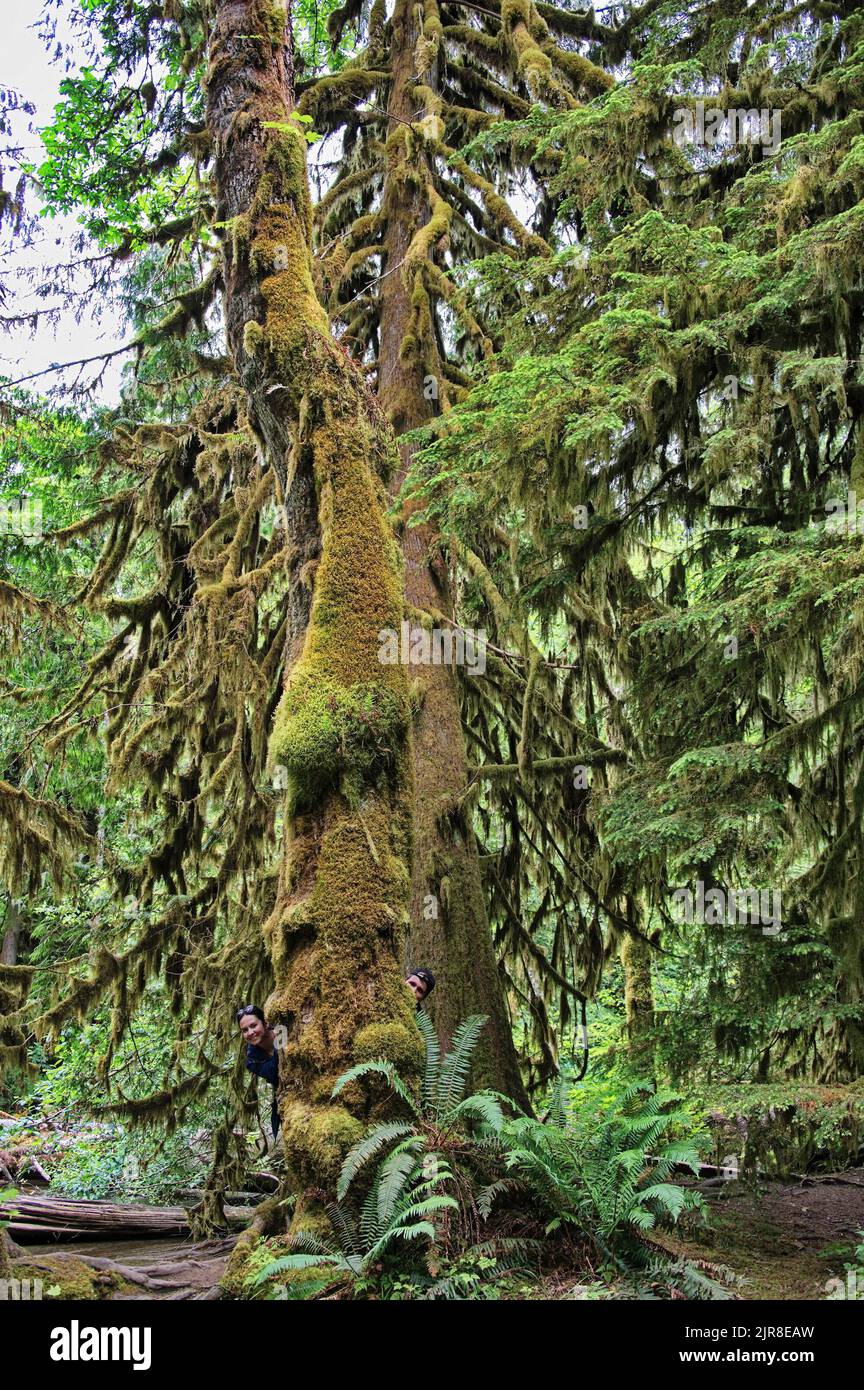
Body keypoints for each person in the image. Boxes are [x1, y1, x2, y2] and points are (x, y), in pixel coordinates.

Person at [236, 1004, 280, 1138]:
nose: (250, 1033)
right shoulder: (252, 1061)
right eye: (244, 1030)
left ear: (265, 1023)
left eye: (254, 1026)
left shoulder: (283, 1027)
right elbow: (274, 1073)